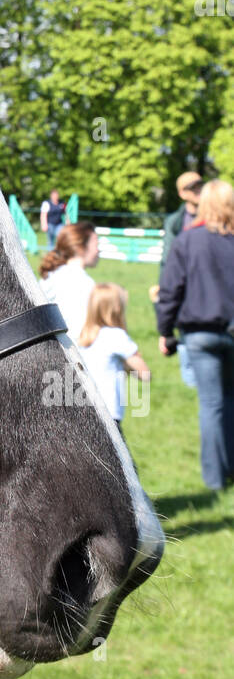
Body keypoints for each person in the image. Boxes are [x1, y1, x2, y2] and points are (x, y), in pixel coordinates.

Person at [156, 179, 234, 491]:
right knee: (229, 401)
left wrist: (165, 330)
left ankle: (215, 480)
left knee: (212, 405)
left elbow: (170, 290)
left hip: (200, 334)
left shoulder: (188, 241)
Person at [150, 171, 203, 391]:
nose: (199, 189)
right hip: (184, 281)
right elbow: (167, 258)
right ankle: (190, 380)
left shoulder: (218, 214)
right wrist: (165, 288)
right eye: (193, 186)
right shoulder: (174, 222)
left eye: (201, 184)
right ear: (182, 193)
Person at [77, 284, 150, 432]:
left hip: (83, 411)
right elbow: (144, 374)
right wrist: (129, 365)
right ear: (117, 309)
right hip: (109, 413)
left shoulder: (84, 336)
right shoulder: (116, 336)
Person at [39, 221, 99, 341]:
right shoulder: (84, 283)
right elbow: (79, 333)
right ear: (80, 248)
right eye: (96, 245)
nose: (98, 250)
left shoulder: (50, 276)